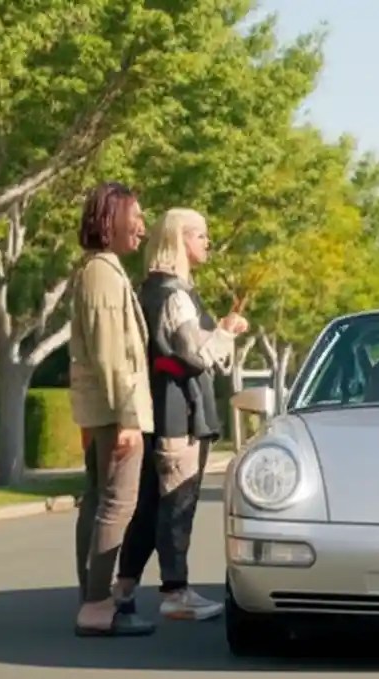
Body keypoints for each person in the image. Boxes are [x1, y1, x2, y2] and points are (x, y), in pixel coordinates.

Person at [112, 207, 248, 621]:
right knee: (177, 500)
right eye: (201, 236)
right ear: (181, 239)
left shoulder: (150, 288)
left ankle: (123, 587)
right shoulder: (175, 294)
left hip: (162, 406)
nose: (207, 243)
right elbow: (195, 355)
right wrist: (225, 331)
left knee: (152, 502)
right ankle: (176, 591)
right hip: (180, 411)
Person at [68, 181, 155, 637]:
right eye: (135, 217)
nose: (142, 226)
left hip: (108, 411)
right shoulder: (102, 272)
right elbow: (107, 353)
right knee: (115, 504)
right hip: (115, 412)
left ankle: (93, 599)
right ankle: (98, 604)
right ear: (111, 220)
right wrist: (125, 418)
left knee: (101, 501)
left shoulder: (104, 270)